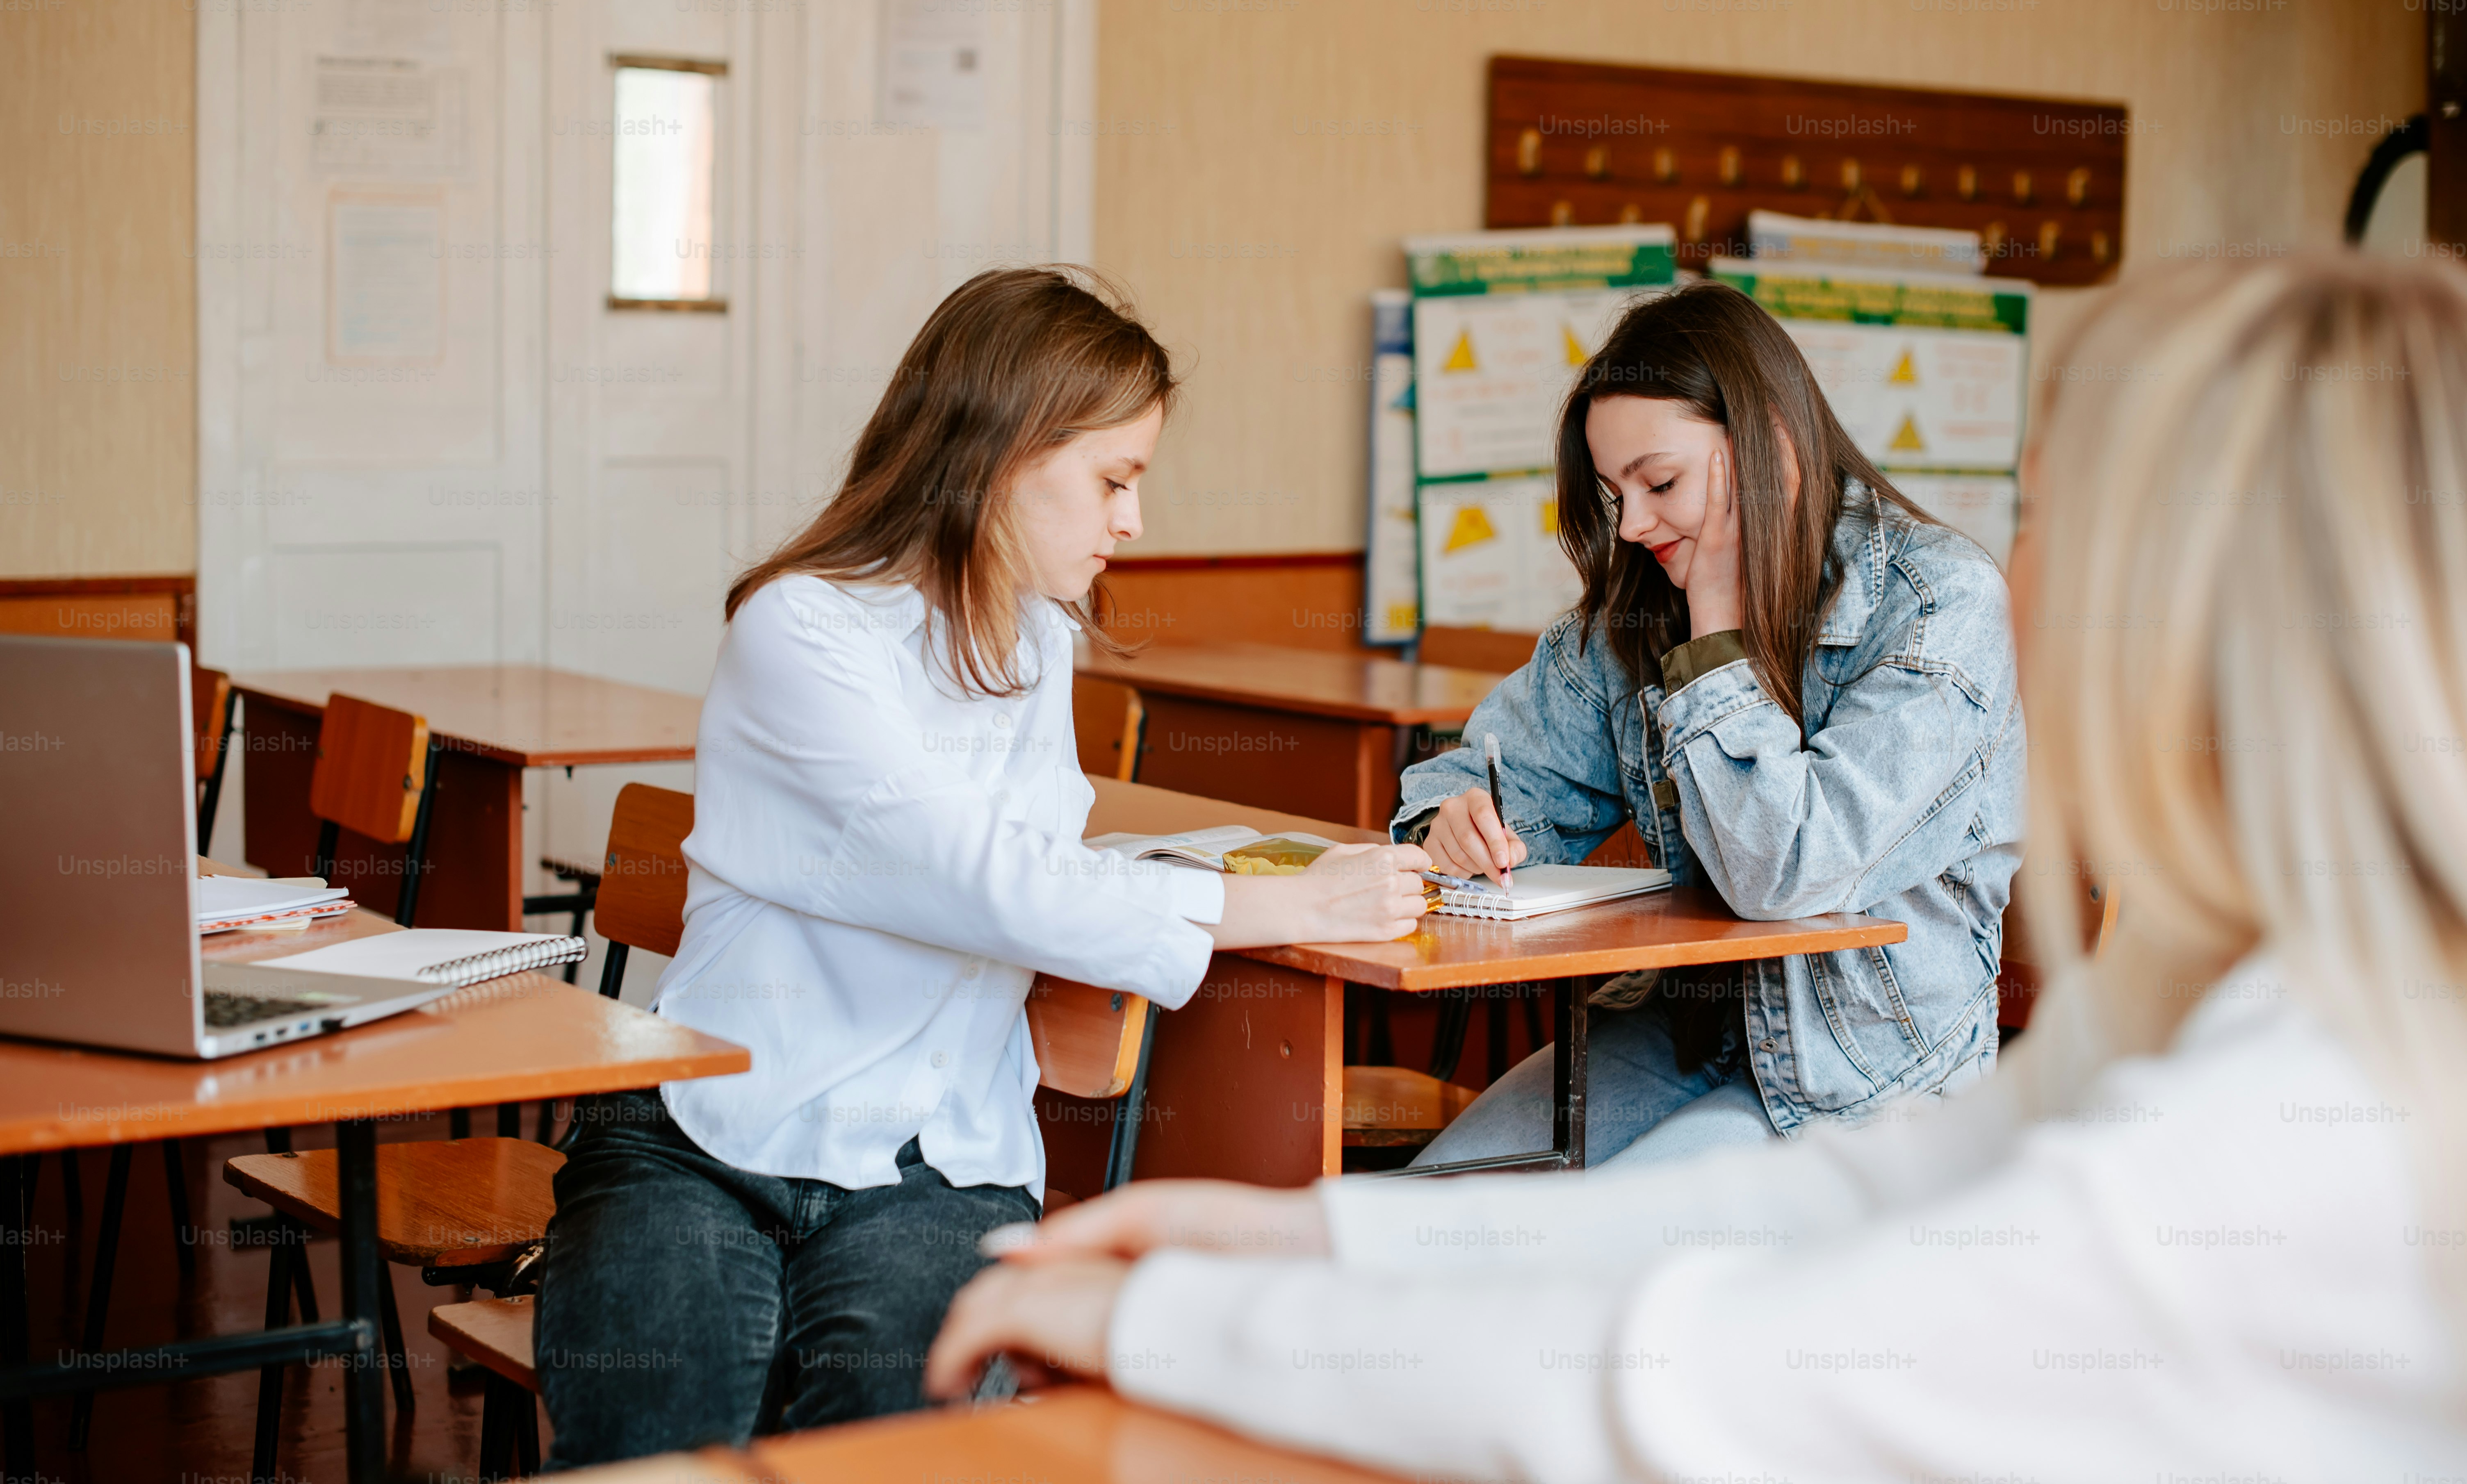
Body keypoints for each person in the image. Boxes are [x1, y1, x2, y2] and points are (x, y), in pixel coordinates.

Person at [928, 252, 2467, 1479]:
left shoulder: (2307, 1120)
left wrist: (1196, 1317)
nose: (2018, 565)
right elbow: (1885, 1199)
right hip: (1680, 1049)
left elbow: (1707, 1365)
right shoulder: (2217, 977)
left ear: (2190, 606)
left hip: (1843, 1066)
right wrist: (1316, 1232)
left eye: (2057, 517)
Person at [531, 267, 1428, 1466]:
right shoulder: (799, 628)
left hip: (937, 1162)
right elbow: (973, 874)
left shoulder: (1037, 642)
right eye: (1115, 480)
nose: (1132, 524)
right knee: (662, 1445)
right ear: (1004, 452)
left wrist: (1195, 895)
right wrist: (1270, 901)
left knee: (889, 1442)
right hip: (708, 1136)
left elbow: (1014, 869)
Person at [1405, 280, 2023, 1170]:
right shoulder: (1636, 610)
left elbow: (1786, 875)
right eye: (1618, 494)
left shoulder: (1941, 606)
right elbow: (1466, 780)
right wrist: (1452, 826)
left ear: (1767, 449)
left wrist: (1717, 626)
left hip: (1863, 1082)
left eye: (1659, 482)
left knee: (1589, 1243)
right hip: (1682, 1030)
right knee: (1439, 1198)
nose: (1632, 527)